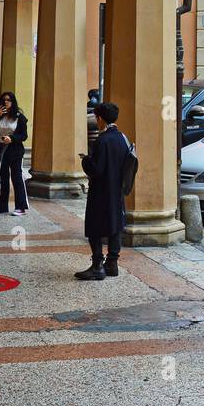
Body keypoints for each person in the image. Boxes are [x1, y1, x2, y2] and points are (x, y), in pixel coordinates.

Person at [76, 101, 129, 281]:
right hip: (116, 190)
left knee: (94, 227)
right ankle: (112, 263)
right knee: (115, 225)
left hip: (100, 191)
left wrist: (85, 161)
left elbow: (96, 168)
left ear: (99, 118)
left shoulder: (102, 140)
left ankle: (97, 265)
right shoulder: (122, 137)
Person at [0, 92, 29, 215]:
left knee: (16, 177)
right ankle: (2, 207)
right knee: (3, 179)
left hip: (15, 150)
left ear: (13, 102)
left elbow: (24, 136)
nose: (6, 102)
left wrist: (12, 138)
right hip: (2, 150)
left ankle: (21, 207)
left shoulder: (19, 117)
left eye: (9, 100)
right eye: (4, 100)